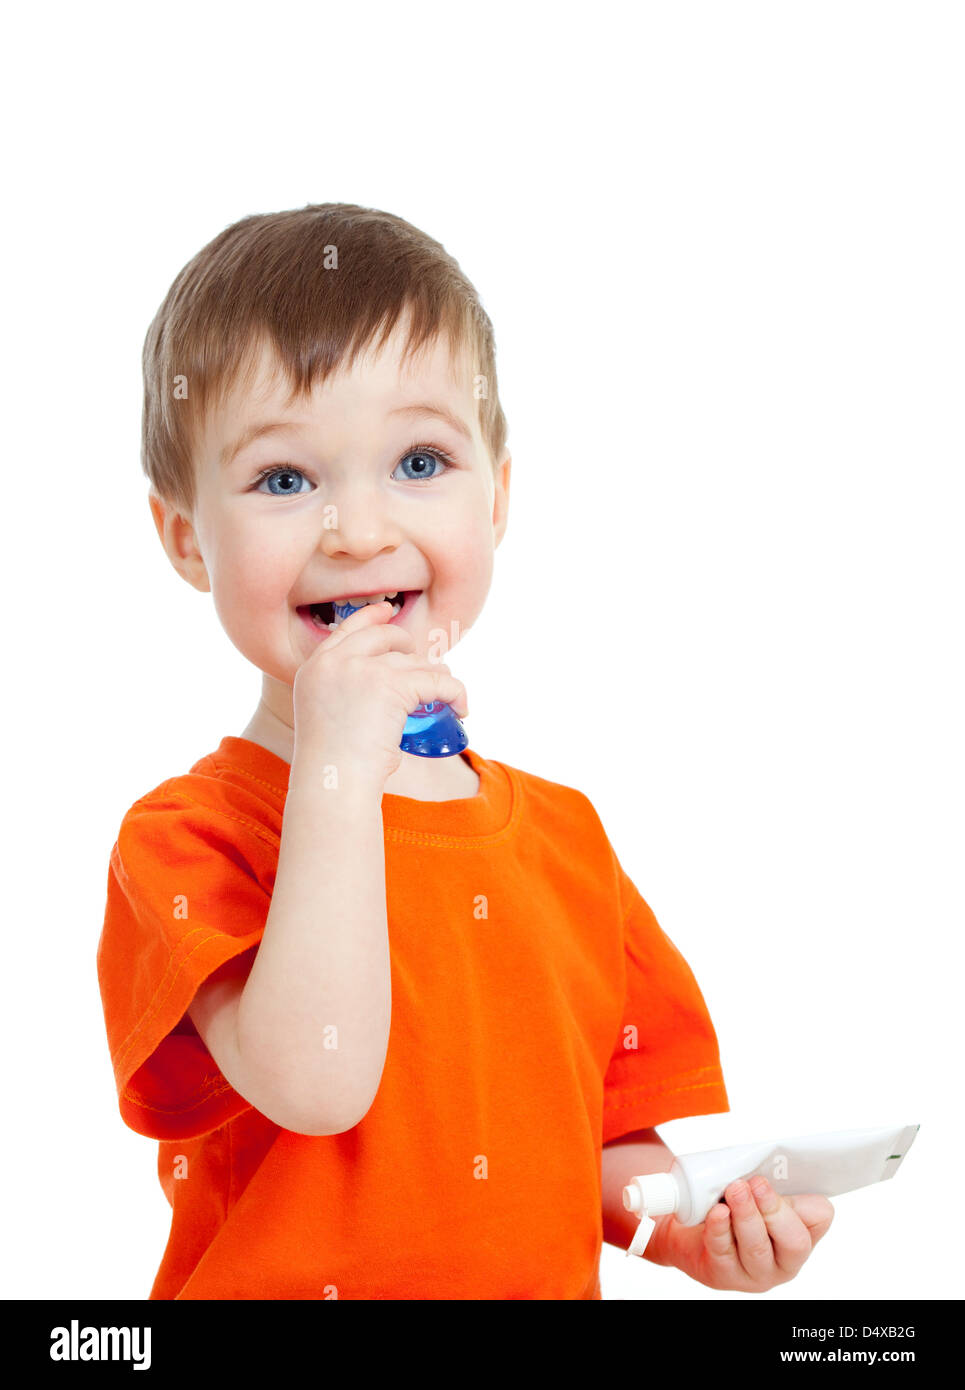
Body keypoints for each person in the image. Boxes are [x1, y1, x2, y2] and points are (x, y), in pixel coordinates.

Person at [96, 202, 834, 1299]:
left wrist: (686, 1228)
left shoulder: (567, 842)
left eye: (419, 460)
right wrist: (340, 770)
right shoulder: (188, 841)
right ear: (186, 539)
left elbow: (593, 1146)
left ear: (496, 497)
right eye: (285, 480)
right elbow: (318, 1080)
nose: (356, 528)